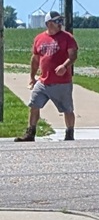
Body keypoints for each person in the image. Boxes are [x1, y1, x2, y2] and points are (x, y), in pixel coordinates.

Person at [15, 11, 79, 142]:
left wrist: (64, 66)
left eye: (61, 21)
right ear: (49, 23)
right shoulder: (39, 38)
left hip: (62, 83)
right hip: (43, 82)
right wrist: (32, 77)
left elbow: (73, 56)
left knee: (67, 109)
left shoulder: (67, 37)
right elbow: (35, 59)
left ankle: (70, 133)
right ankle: (30, 133)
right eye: (57, 21)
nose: (60, 24)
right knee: (34, 105)